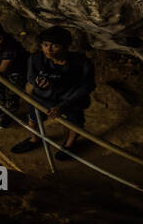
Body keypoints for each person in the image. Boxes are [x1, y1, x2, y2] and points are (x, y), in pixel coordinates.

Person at [10, 26, 96, 160]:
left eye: (55, 46)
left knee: (75, 124)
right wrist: (38, 82)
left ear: (65, 46)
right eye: (45, 45)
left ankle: (69, 145)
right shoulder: (36, 59)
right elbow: (31, 77)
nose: (48, 50)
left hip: (70, 100)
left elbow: (87, 87)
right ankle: (34, 139)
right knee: (33, 120)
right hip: (42, 97)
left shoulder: (81, 63)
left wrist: (63, 105)